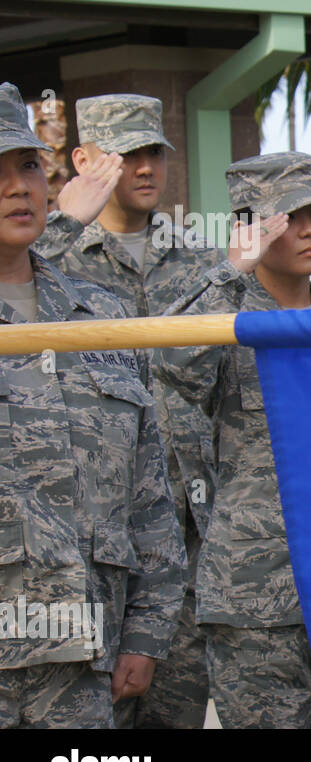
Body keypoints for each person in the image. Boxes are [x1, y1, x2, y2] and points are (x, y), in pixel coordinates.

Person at [0, 81, 184, 728]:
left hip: (82, 659)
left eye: (25, 165)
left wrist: (147, 630)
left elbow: (149, 492)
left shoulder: (98, 314)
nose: (18, 186)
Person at [34, 92, 220, 729]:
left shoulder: (201, 262)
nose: (144, 168)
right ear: (84, 160)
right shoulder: (54, 267)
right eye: (125, 154)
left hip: (184, 548)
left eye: (153, 153)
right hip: (80, 553)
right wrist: (65, 223)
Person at [156, 151, 311, 728]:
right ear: (250, 228)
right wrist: (230, 271)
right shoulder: (222, 320)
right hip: (255, 594)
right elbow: (172, 363)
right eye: (290, 216)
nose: (310, 229)